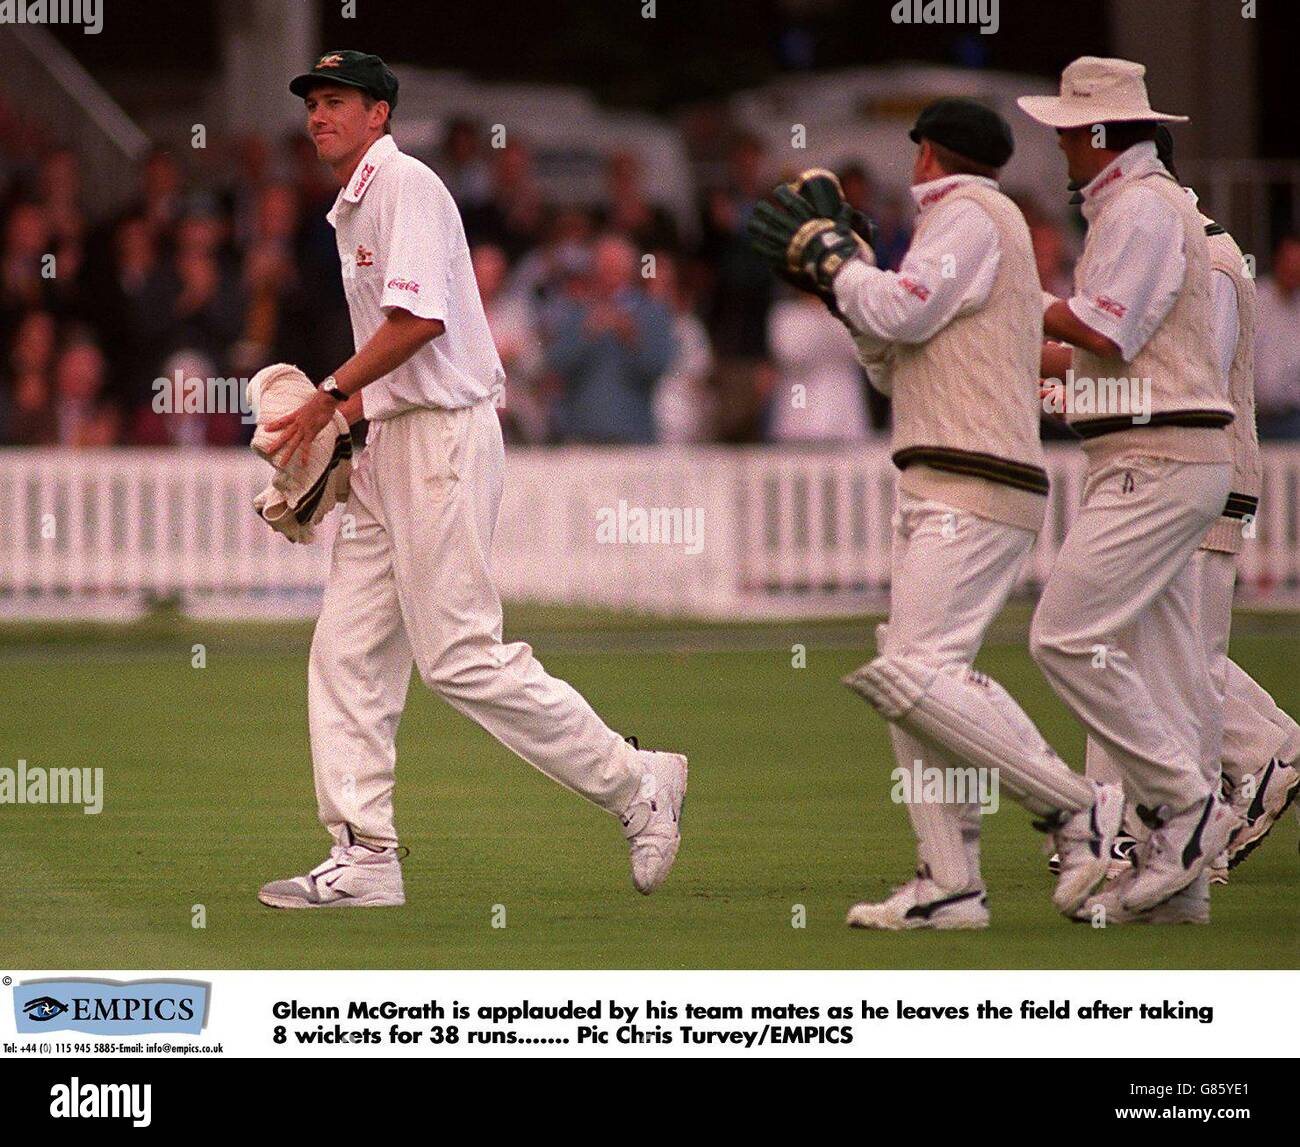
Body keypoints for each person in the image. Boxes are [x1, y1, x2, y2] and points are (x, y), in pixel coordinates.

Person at [256, 51, 686, 910]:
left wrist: (330, 396)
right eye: (312, 103)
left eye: (336, 101)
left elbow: (422, 322)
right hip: (395, 443)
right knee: (347, 647)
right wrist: (346, 421)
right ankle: (365, 853)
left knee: (458, 657)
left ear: (380, 113)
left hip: (446, 438)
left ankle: (636, 780)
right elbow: (401, 350)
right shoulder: (354, 204)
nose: (318, 116)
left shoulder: (403, 184)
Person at [747, 105, 1125, 931]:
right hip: (942, 473)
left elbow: (900, 312)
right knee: (911, 676)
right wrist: (839, 286)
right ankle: (950, 883)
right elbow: (891, 357)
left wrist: (841, 264)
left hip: (975, 476)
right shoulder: (954, 225)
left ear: (926, 154)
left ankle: (1077, 805)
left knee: (916, 673)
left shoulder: (974, 214)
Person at [1021, 57, 1237, 924]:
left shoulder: (1142, 208)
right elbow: (1107, 347)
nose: (1063, 144)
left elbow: (1104, 329)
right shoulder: (1136, 206)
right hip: (1159, 452)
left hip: (1161, 458)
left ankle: (1189, 810)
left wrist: (1010, 298)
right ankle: (1178, 898)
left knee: (1064, 636)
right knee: (1167, 668)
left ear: (1105, 133)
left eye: (1071, 129)